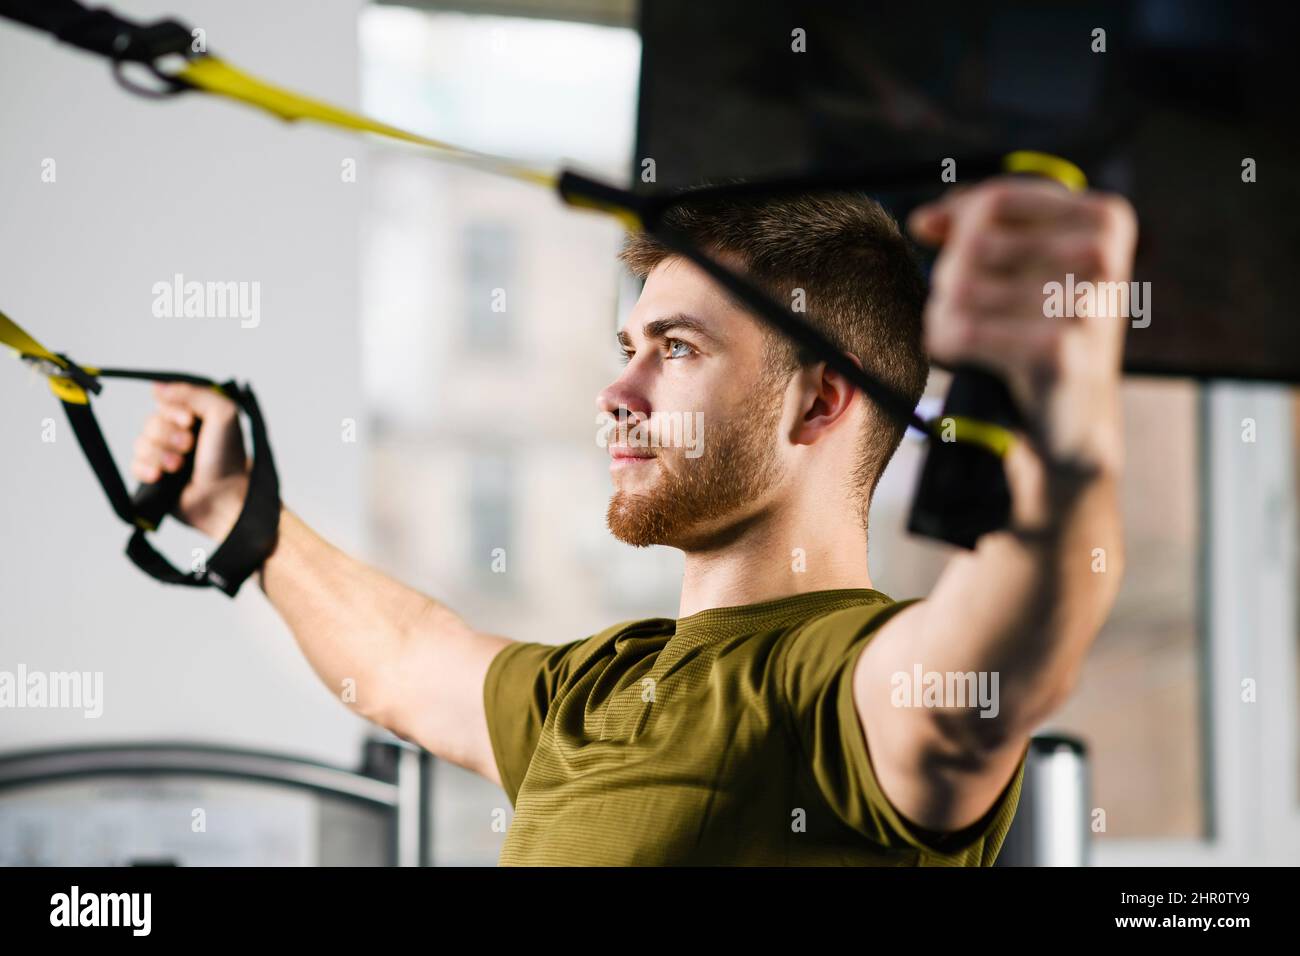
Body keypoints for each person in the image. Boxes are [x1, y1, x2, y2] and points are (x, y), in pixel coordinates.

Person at [130, 177, 1137, 865]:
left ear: (820, 402)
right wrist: (238, 512)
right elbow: (400, 660)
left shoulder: (842, 681)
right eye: (628, 343)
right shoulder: (595, 682)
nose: (617, 387)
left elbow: (1007, 655)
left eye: (678, 347)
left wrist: (1069, 432)